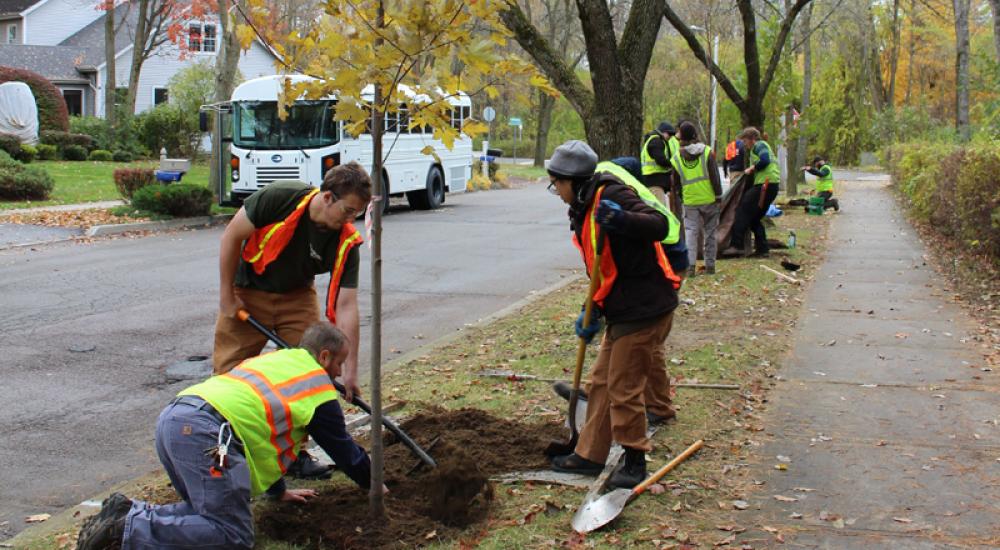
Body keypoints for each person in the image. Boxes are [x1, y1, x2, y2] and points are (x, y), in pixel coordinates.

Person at [76, 323, 380, 550]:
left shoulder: (278, 361)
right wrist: (375, 483)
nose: (339, 373)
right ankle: (125, 531)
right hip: (207, 435)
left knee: (207, 512)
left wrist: (278, 491)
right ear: (324, 356)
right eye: (340, 363)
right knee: (232, 534)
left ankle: (128, 512)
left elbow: (262, 430)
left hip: (176, 418)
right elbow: (343, 450)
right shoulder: (317, 388)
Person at [214, 162, 371, 478]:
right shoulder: (280, 198)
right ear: (327, 197)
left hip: (297, 295)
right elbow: (232, 236)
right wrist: (227, 294)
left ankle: (293, 455)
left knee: (309, 373)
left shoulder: (345, 242)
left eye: (357, 213)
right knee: (230, 372)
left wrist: (351, 370)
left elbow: (346, 305)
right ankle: (225, 451)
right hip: (248, 291)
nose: (350, 219)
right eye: (348, 210)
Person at [545, 140, 682, 489]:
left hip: (645, 307)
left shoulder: (611, 195)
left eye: (556, 184)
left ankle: (635, 460)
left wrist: (623, 219)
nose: (556, 192)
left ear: (572, 180)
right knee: (602, 383)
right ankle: (589, 455)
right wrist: (591, 310)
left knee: (623, 386)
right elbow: (602, 266)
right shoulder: (583, 206)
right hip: (623, 306)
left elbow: (660, 224)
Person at [671, 121, 723, 276]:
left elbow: (676, 183)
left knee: (690, 234)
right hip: (709, 199)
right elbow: (715, 177)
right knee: (710, 233)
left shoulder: (676, 158)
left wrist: (682, 197)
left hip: (690, 201)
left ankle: (690, 267)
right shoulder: (707, 152)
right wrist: (718, 195)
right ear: (695, 135)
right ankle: (710, 266)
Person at [722, 128, 780, 257]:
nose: (744, 144)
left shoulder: (759, 145)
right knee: (754, 218)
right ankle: (763, 250)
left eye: (745, 141)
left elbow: (765, 160)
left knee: (742, 210)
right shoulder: (761, 147)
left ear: (752, 139)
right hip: (771, 185)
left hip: (765, 185)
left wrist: (752, 168)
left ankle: (737, 246)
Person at [640, 122, 678, 205]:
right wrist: (673, 164)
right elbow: (660, 160)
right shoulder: (656, 141)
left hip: (652, 181)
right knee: (660, 209)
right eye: (669, 134)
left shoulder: (653, 140)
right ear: (663, 132)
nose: (670, 137)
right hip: (655, 182)